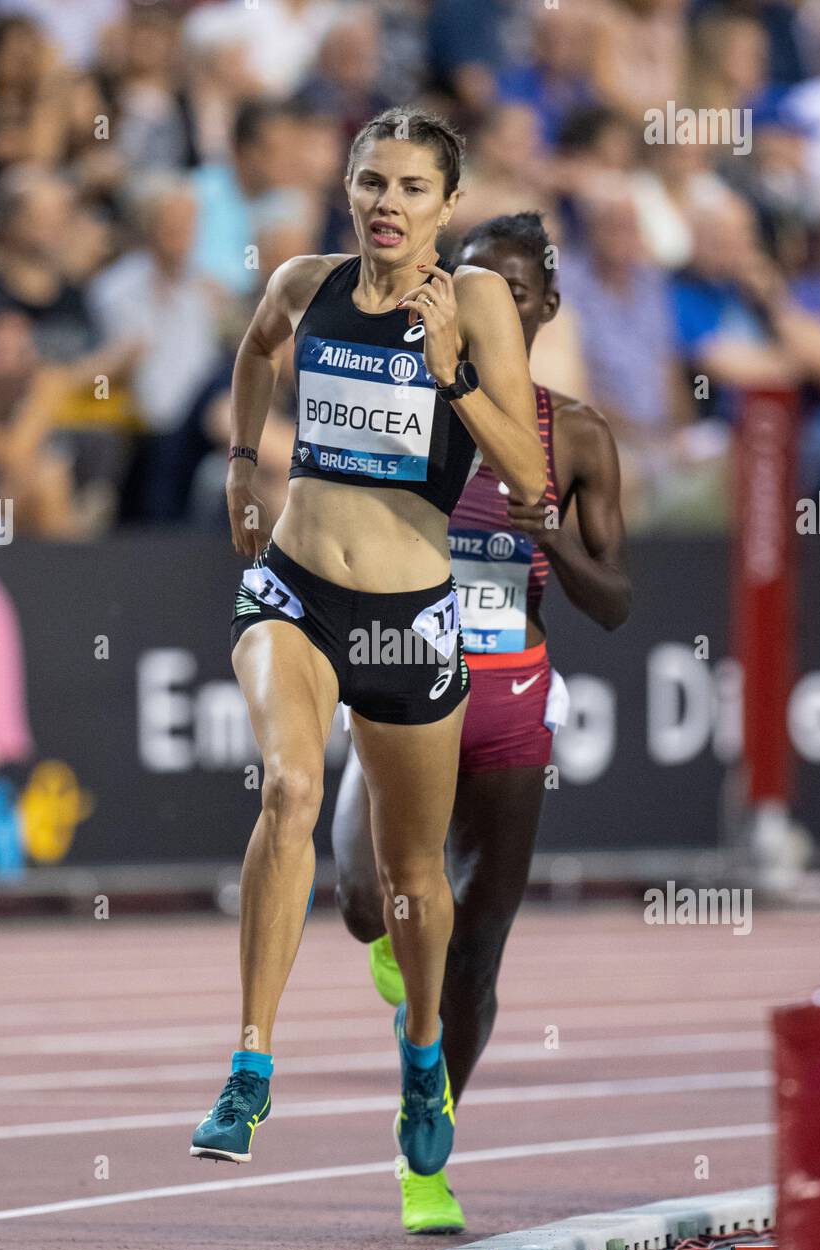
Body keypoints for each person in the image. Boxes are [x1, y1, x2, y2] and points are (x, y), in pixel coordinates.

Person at [189, 109, 548, 1184]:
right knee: (290, 789)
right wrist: (243, 467)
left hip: (409, 617)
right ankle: (249, 1066)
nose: (387, 203)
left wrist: (452, 373)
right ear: (348, 190)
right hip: (294, 592)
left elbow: (528, 482)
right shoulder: (306, 284)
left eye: (410, 188)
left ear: (446, 206)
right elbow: (257, 352)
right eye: (371, 182)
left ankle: (423, 1048)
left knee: (409, 879)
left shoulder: (475, 302)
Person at [331, 211, 631, 1233]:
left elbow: (613, 602)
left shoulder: (578, 435)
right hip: (396, 673)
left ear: (539, 310)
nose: (468, 309)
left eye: (497, 294)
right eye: (455, 287)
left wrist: (540, 521)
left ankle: (428, 1148)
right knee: (364, 901)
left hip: (508, 697)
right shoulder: (400, 404)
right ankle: (389, 945)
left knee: (475, 951)